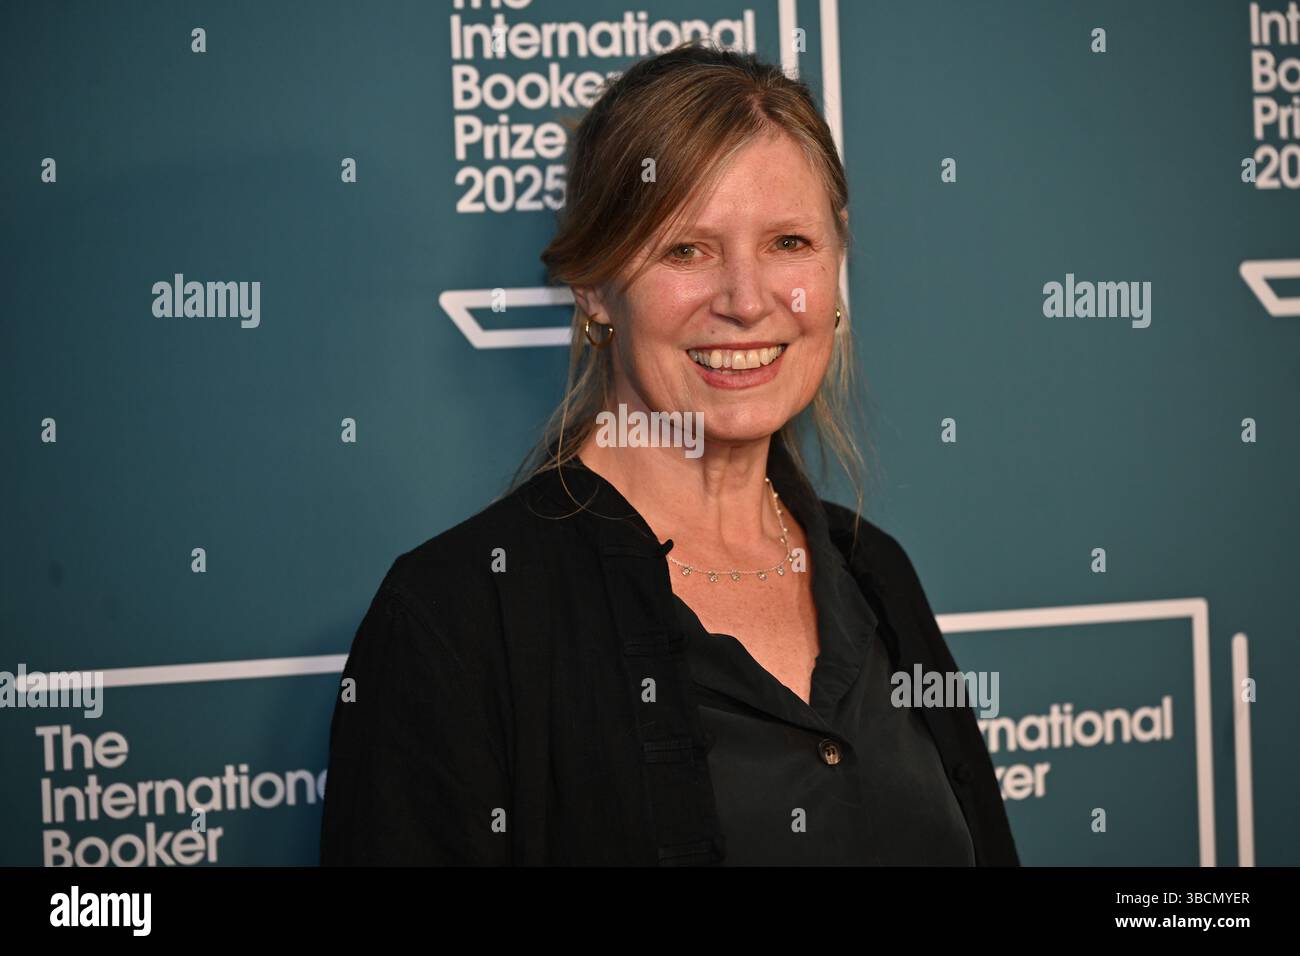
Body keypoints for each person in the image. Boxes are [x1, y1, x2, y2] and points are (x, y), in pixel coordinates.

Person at [320, 41, 1018, 866]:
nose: (746, 301)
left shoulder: (878, 575)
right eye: (686, 249)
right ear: (591, 283)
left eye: (789, 242)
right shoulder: (457, 619)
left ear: (834, 267)